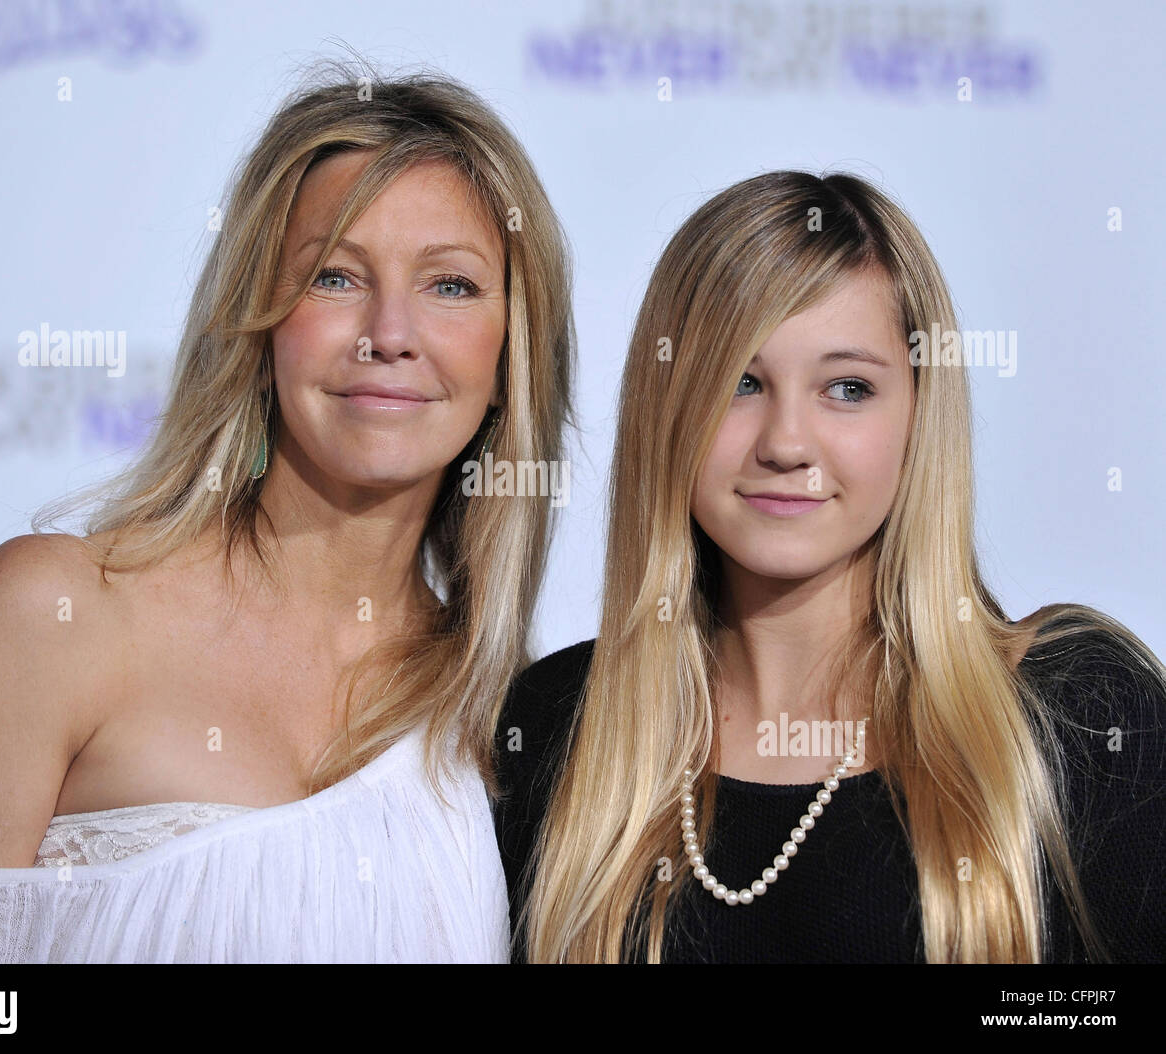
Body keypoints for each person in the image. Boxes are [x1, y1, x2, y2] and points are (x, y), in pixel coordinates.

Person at [0, 62, 575, 963]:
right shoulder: (56, 613)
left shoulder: (505, 720)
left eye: (451, 286)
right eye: (333, 277)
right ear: (258, 318)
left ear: (513, 346)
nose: (390, 333)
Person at [493, 170, 1166, 964]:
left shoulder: (1079, 713)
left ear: (920, 413)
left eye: (847, 388)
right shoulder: (557, 722)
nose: (786, 443)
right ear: (666, 402)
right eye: (740, 382)